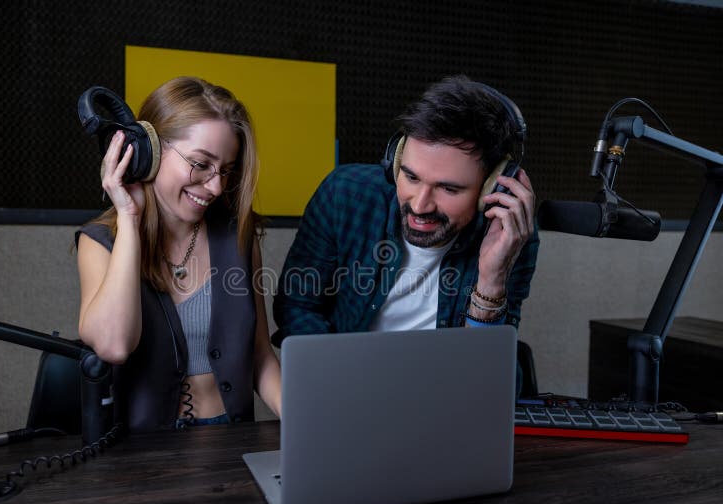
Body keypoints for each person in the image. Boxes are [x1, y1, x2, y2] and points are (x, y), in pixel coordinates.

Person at [272, 75, 539, 388]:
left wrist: (492, 282)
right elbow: (297, 306)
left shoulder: (508, 234)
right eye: (411, 177)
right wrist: (340, 378)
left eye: (448, 188)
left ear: (491, 187)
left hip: (443, 399)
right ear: (395, 161)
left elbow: (487, 381)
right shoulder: (344, 195)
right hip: (342, 387)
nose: (421, 204)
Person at [76, 76, 281, 432]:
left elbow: (260, 355)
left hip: (230, 434)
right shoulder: (100, 242)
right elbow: (114, 345)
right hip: (144, 452)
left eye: (226, 171)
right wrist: (128, 217)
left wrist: (307, 424)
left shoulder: (239, 238)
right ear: (146, 153)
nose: (216, 187)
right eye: (201, 164)